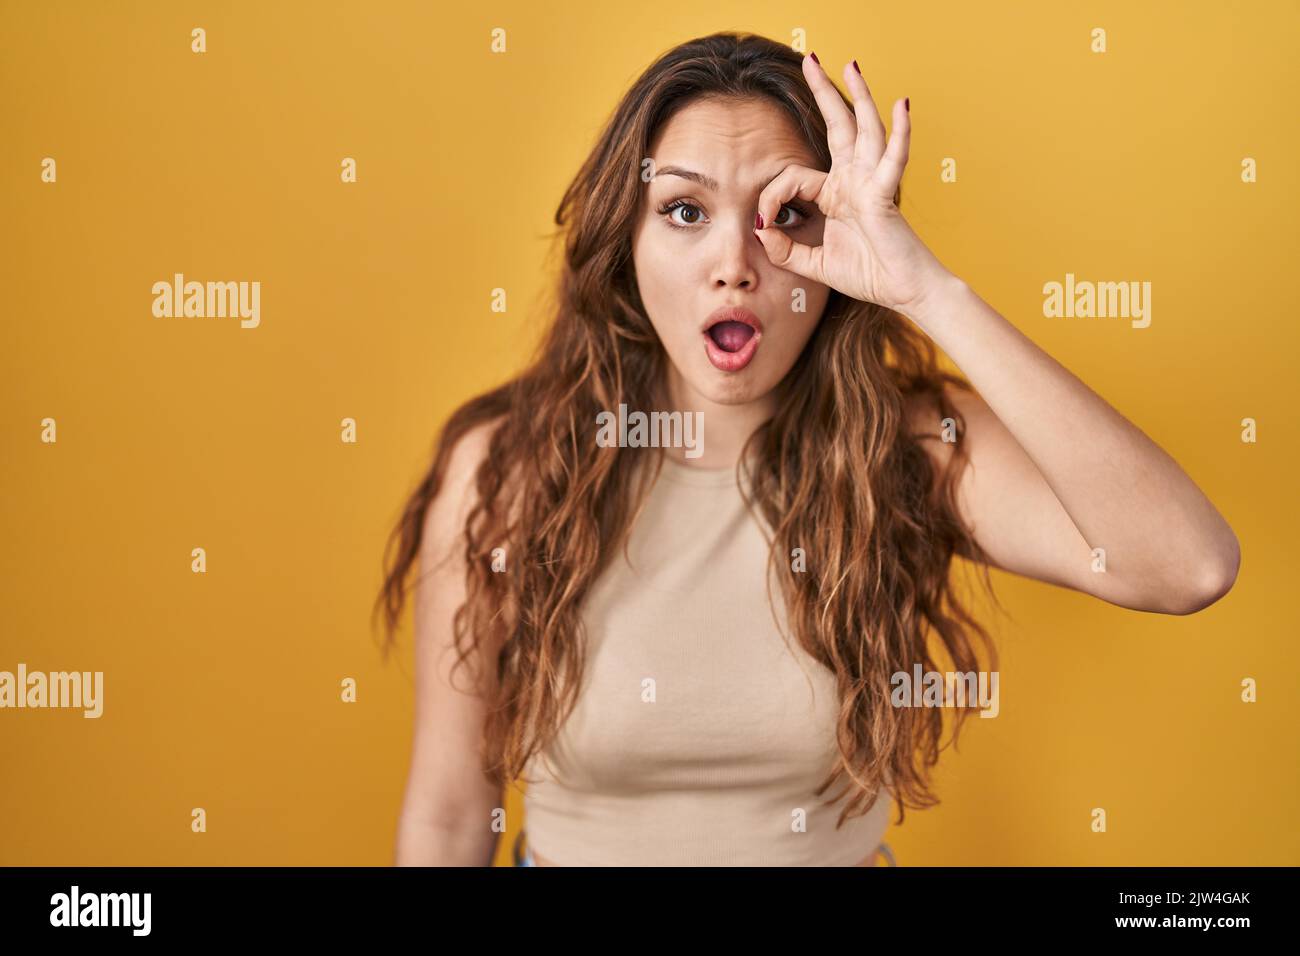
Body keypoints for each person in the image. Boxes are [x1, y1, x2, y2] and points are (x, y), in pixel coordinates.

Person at [380, 32, 1239, 867]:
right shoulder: (509, 465)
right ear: (625, 246)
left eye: (784, 215)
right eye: (684, 211)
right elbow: (452, 812)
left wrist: (925, 291)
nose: (734, 265)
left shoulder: (908, 446)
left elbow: (1187, 566)